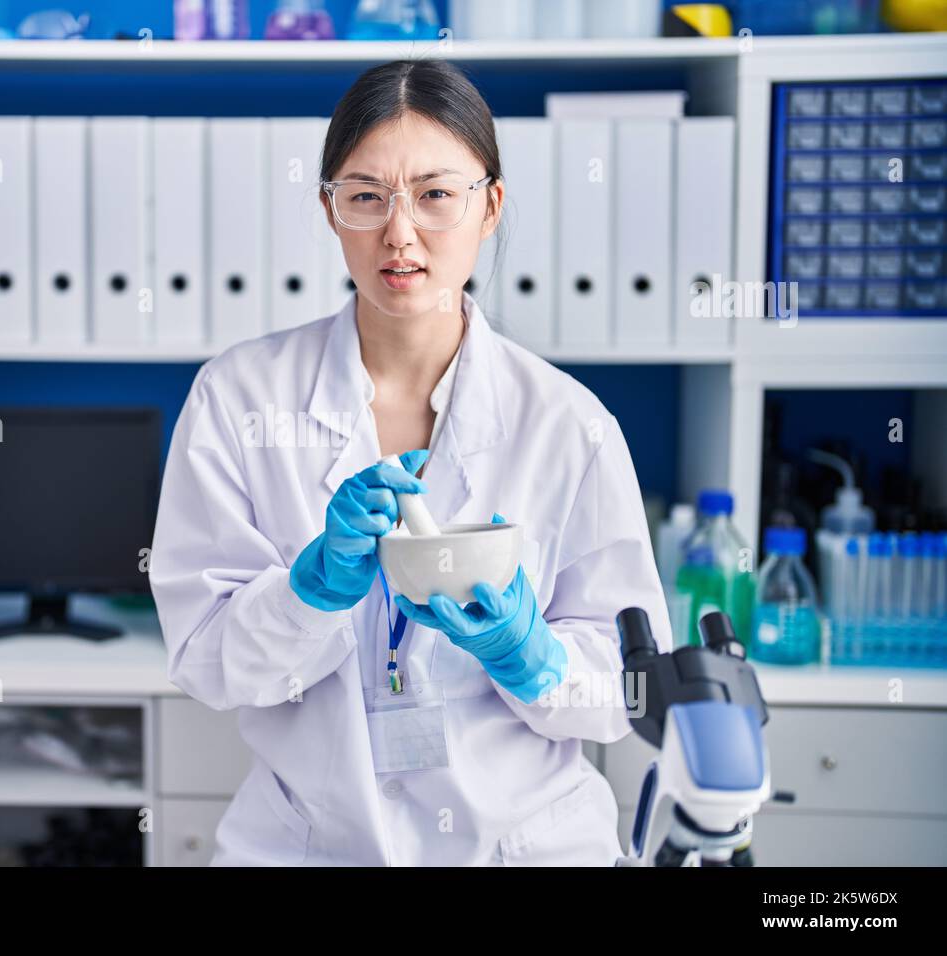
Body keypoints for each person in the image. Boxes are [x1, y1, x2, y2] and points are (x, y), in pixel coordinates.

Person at [149, 58, 673, 866]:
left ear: (490, 205)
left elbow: (626, 697)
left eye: (435, 194)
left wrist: (530, 657)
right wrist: (308, 595)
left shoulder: (571, 426)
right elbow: (206, 663)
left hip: (522, 848)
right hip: (306, 848)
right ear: (330, 210)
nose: (400, 233)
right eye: (365, 196)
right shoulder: (237, 400)